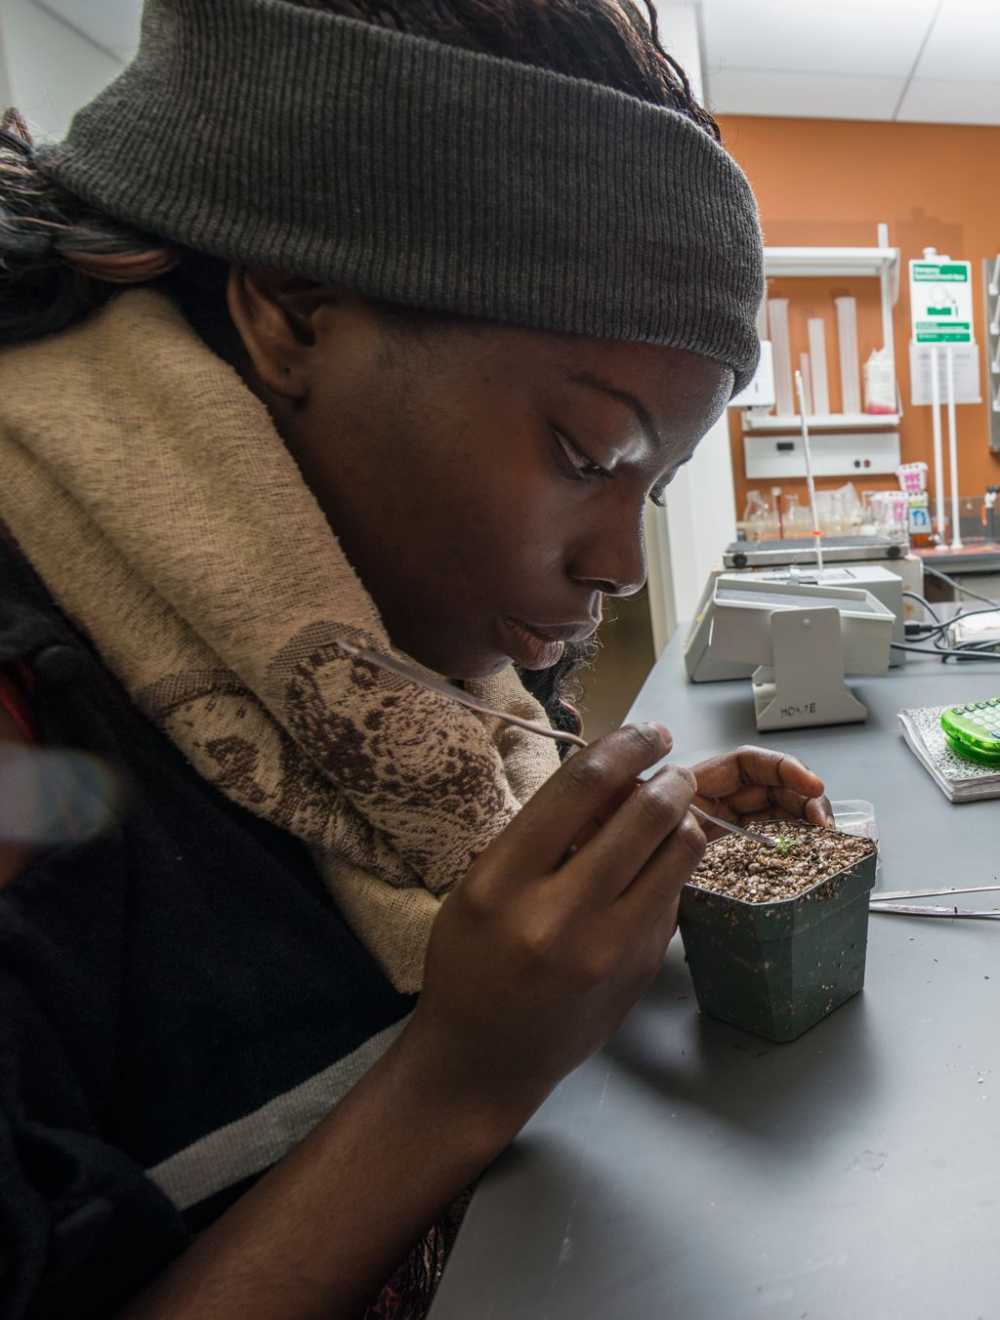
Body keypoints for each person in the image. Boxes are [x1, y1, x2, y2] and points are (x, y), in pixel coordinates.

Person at [0, 2, 832, 1316]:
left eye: (656, 489)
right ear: (291, 317)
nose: (618, 563)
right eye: (587, 456)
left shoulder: (406, 652)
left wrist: (614, 875)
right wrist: (463, 1076)